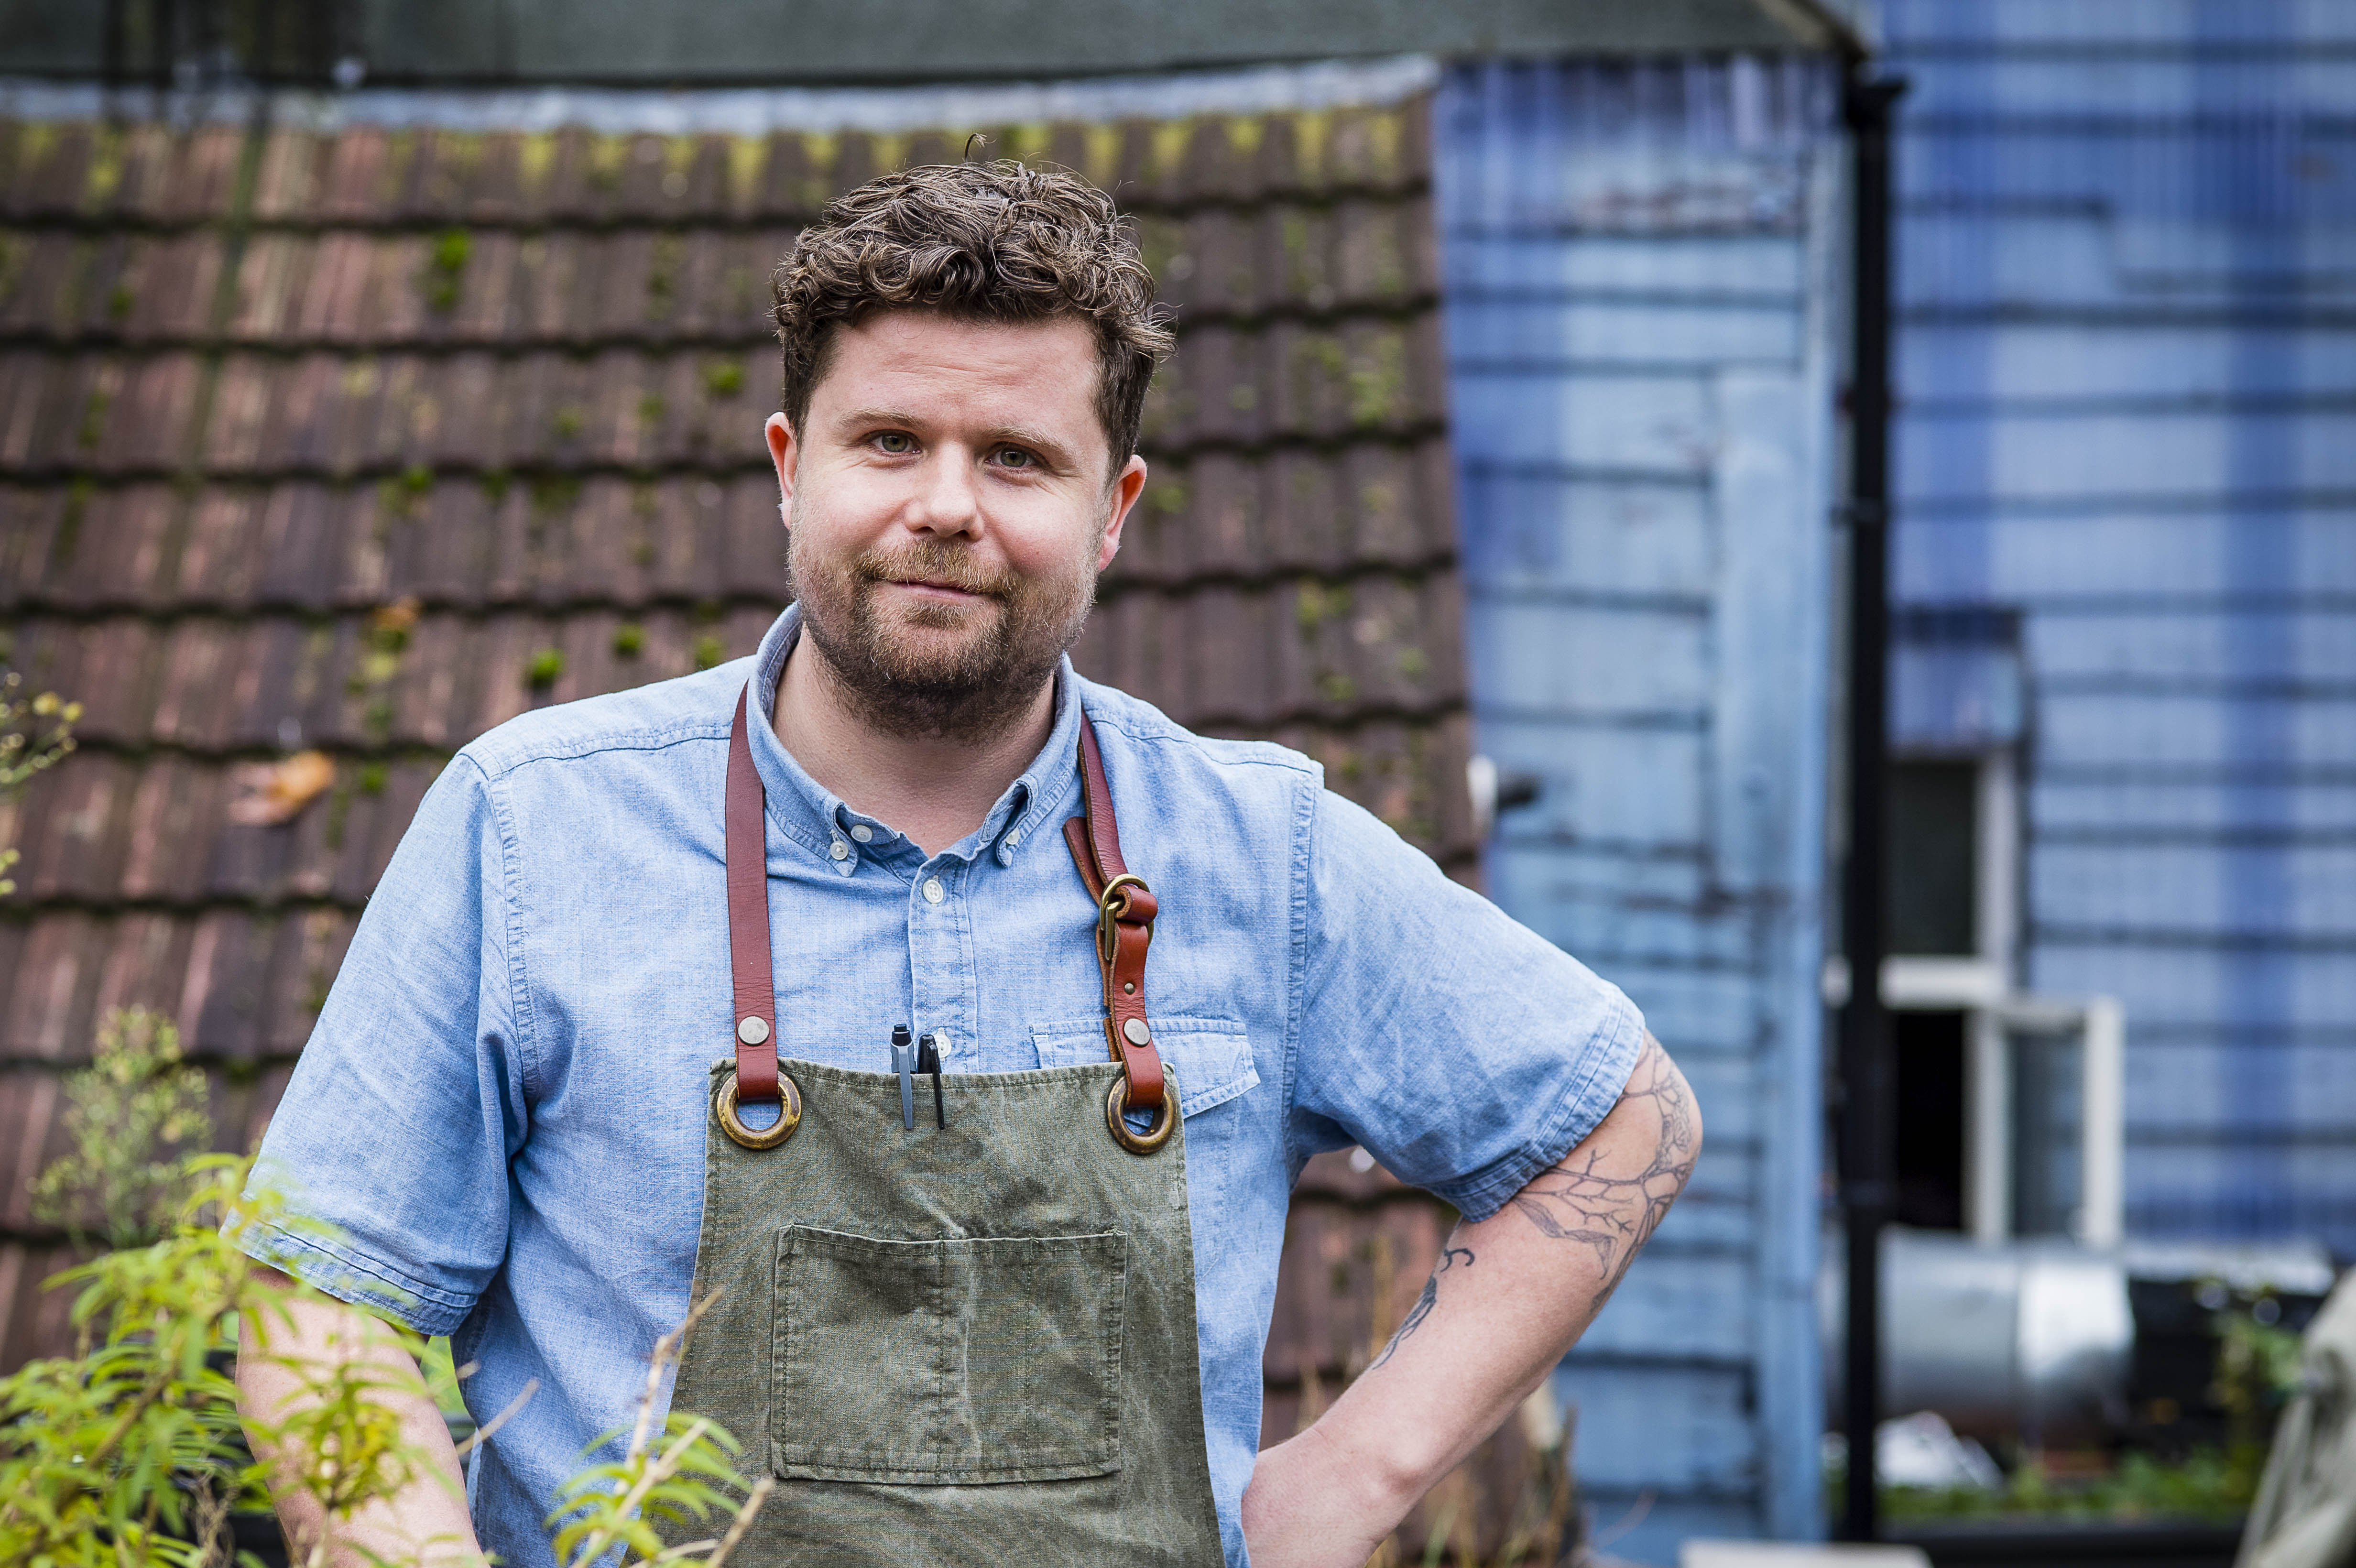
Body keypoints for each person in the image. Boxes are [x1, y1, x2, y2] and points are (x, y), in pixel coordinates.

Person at [233, 160, 1699, 1568]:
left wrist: (1352, 1477)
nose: (946, 504)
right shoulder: (532, 828)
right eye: (890, 442)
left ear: (1113, 511)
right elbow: (319, 1298)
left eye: (1017, 457)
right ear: (791, 470)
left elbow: (1625, 1116)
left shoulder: (1265, 855)